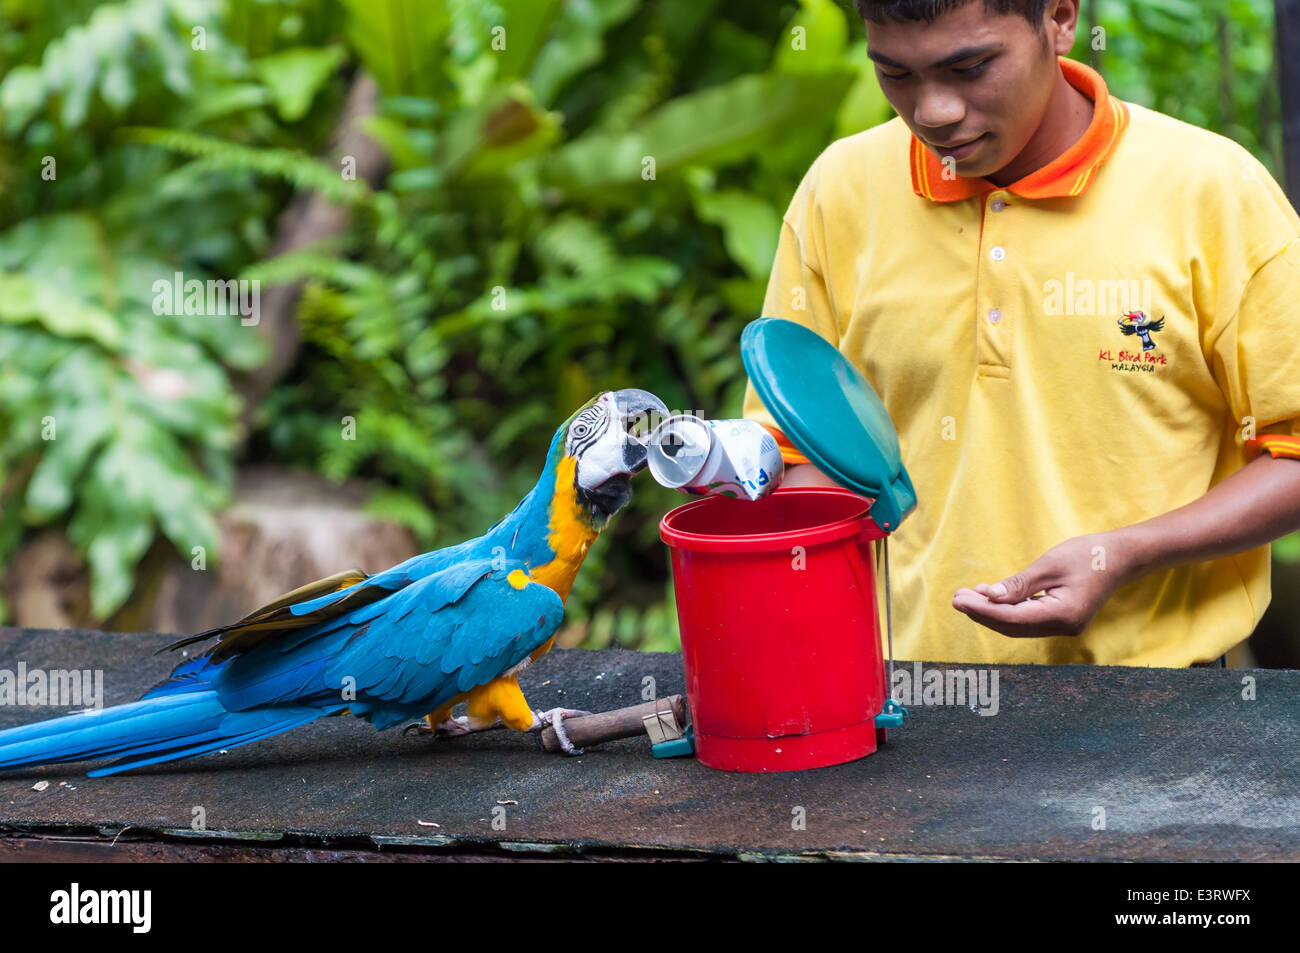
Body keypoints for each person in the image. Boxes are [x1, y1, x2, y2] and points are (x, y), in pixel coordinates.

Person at [742, 0, 1300, 666]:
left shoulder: (1213, 191)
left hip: (1163, 699)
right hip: (905, 691)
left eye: (970, 67)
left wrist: (1125, 553)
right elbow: (796, 452)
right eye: (896, 74)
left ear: (1060, 18)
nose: (933, 111)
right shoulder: (840, 190)